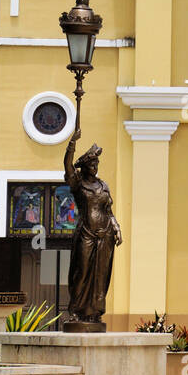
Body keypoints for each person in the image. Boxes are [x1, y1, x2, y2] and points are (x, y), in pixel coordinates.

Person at [63, 129, 121, 326]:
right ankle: (75, 311)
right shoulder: (77, 183)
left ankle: (93, 313)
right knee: (82, 272)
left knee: (100, 275)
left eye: (96, 164)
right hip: (86, 234)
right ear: (85, 167)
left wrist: (116, 227)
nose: (95, 167)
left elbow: (109, 210)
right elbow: (68, 166)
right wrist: (72, 143)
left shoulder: (103, 186)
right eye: (91, 164)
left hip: (105, 236)